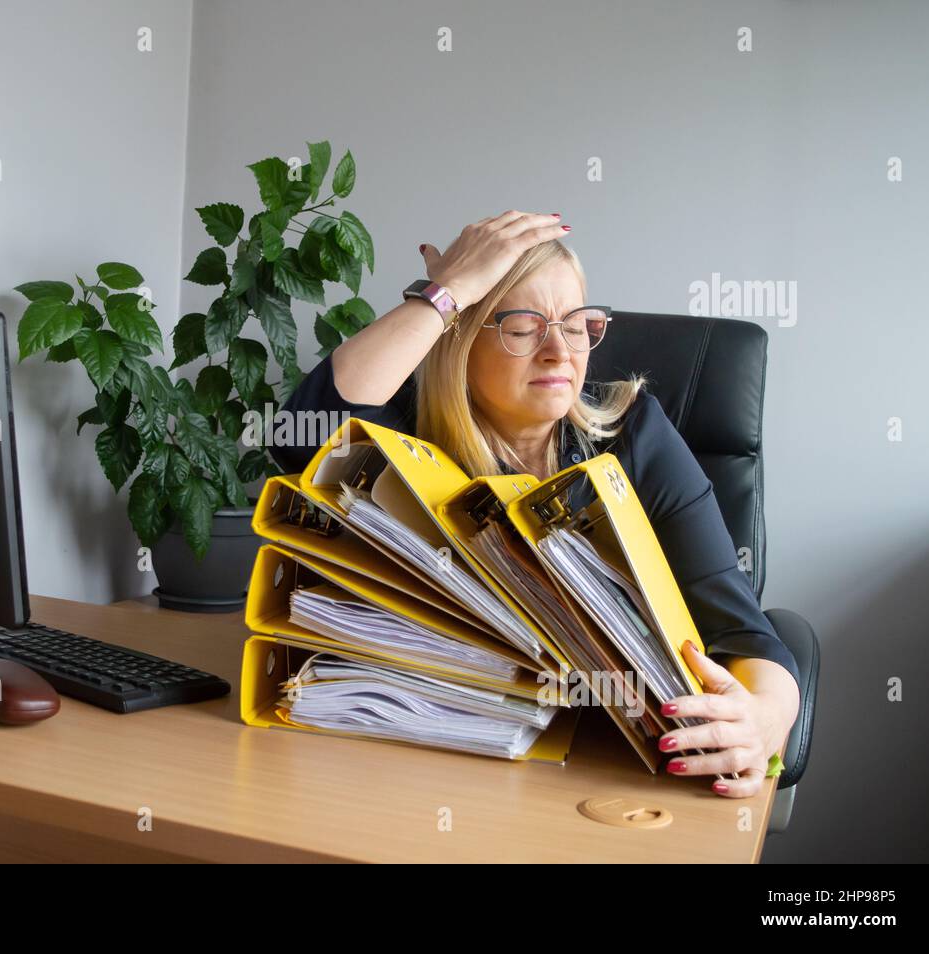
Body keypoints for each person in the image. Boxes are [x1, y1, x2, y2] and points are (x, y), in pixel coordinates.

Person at [269, 209, 800, 798]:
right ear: (462, 340)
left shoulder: (633, 435)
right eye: (522, 326)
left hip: (596, 769)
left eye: (575, 325)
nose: (557, 351)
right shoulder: (405, 431)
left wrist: (768, 716)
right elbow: (298, 437)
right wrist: (449, 293)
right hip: (418, 751)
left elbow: (745, 632)